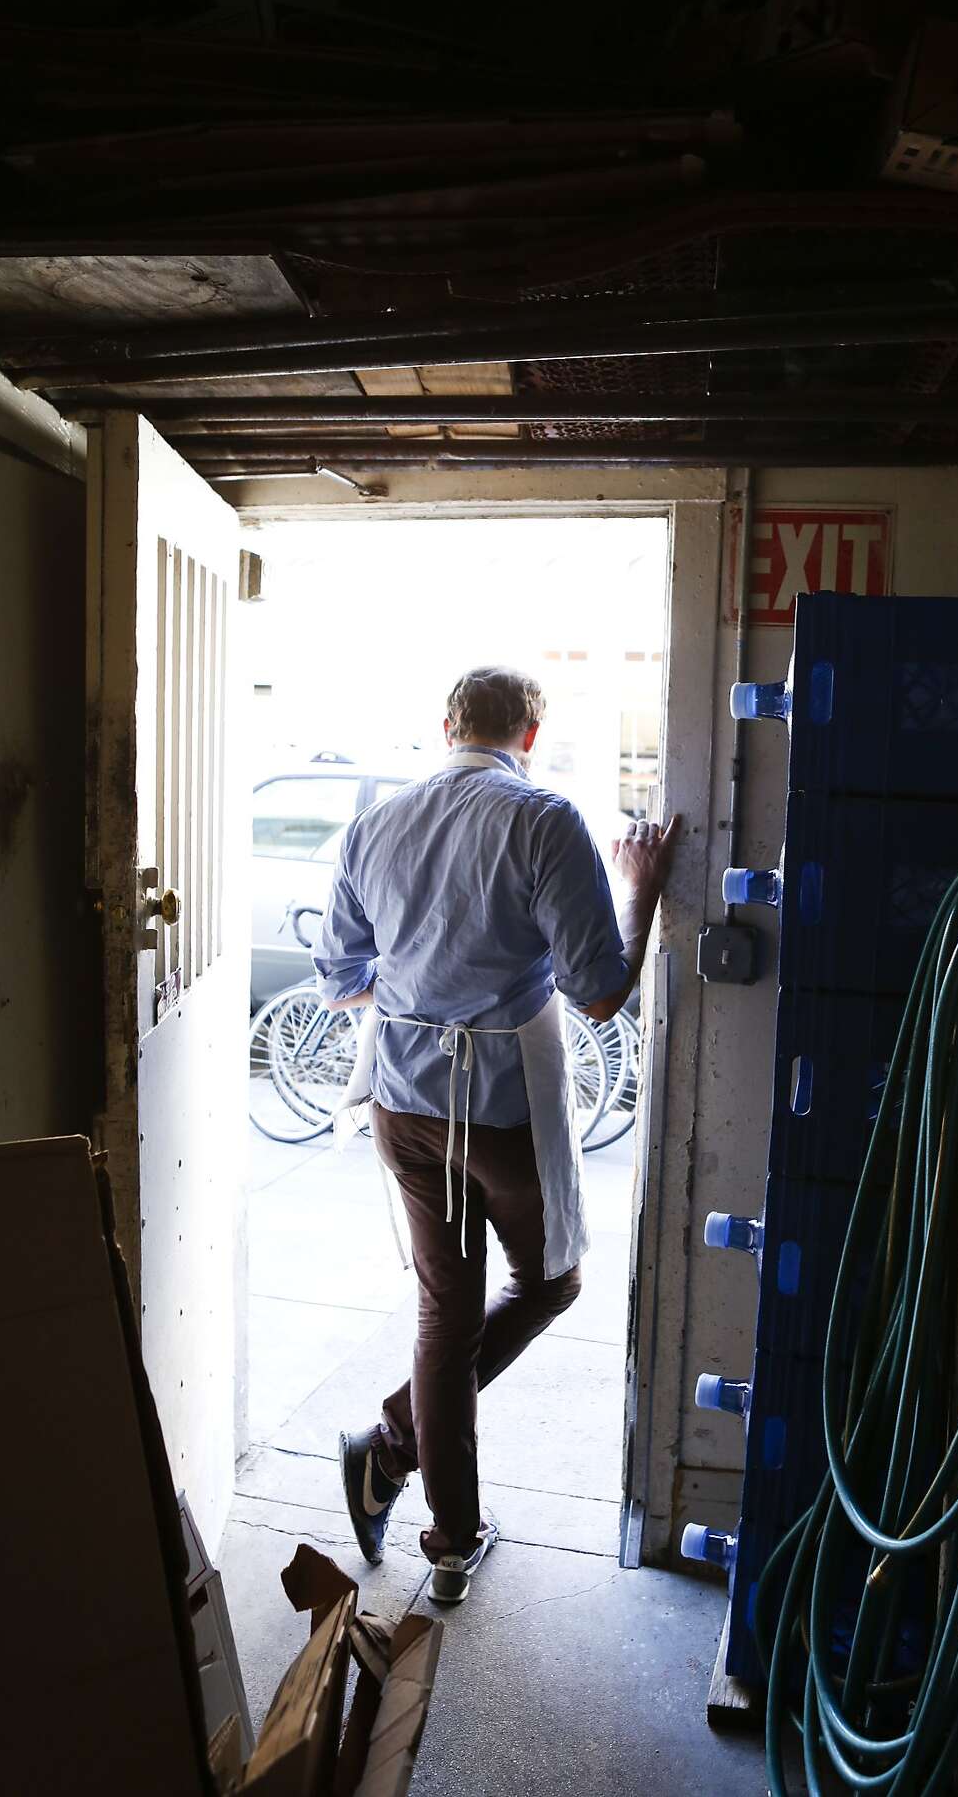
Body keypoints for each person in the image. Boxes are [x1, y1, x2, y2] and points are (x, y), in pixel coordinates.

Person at [313, 665, 679, 1604]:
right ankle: (398, 1452)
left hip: (404, 1102)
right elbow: (599, 993)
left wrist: (417, 992)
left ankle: (438, 1519)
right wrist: (642, 889)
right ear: (532, 732)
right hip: (499, 1113)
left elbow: (341, 977)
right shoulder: (542, 819)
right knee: (551, 1279)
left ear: (446, 726)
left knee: (445, 1313)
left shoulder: (374, 822)